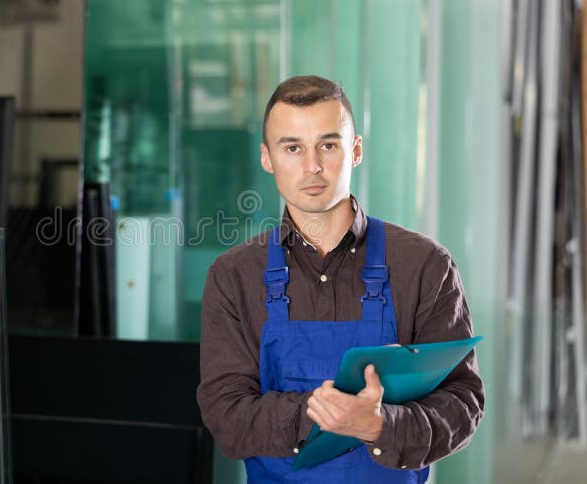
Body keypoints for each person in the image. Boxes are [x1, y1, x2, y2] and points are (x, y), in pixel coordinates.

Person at [196, 75, 484, 483]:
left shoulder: (423, 265)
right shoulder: (234, 276)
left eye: (328, 145)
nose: (312, 166)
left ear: (356, 151)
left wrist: (380, 425)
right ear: (267, 158)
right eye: (292, 147)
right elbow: (226, 414)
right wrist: (322, 412)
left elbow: (463, 402)